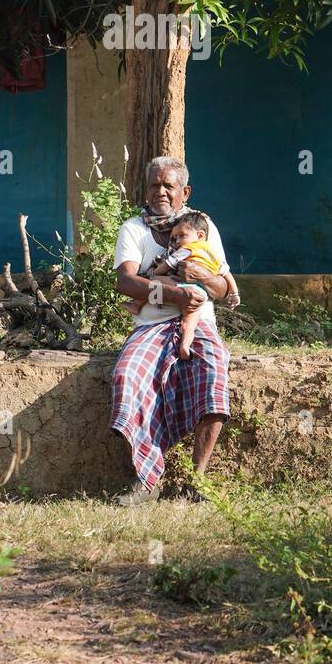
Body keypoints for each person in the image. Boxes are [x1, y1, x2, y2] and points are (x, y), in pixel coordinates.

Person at [110, 156, 238, 506]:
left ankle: (197, 481)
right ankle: (146, 479)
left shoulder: (202, 226)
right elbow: (125, 281)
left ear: (185, 191)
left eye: (169, 186)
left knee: (212, 375)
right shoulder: (133, 229)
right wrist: (170, 293)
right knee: (128, 374)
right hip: (151, 323)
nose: (161, 192)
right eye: (154, 185)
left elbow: (223, 289)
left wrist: (200, 280)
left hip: (199, 320)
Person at [137, 210, 241, 360]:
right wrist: (235, 293)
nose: (177, 241)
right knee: (190, 324)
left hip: (181, 286)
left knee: (154, 283)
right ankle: (185, 345)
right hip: (201, 294)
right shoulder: (213, 254)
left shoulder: (187, 249)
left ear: (200, 235)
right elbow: (227, 274)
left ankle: (139, 303)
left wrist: (153, 273)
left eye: (182, 236)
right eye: (175, 238)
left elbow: (167, 264)